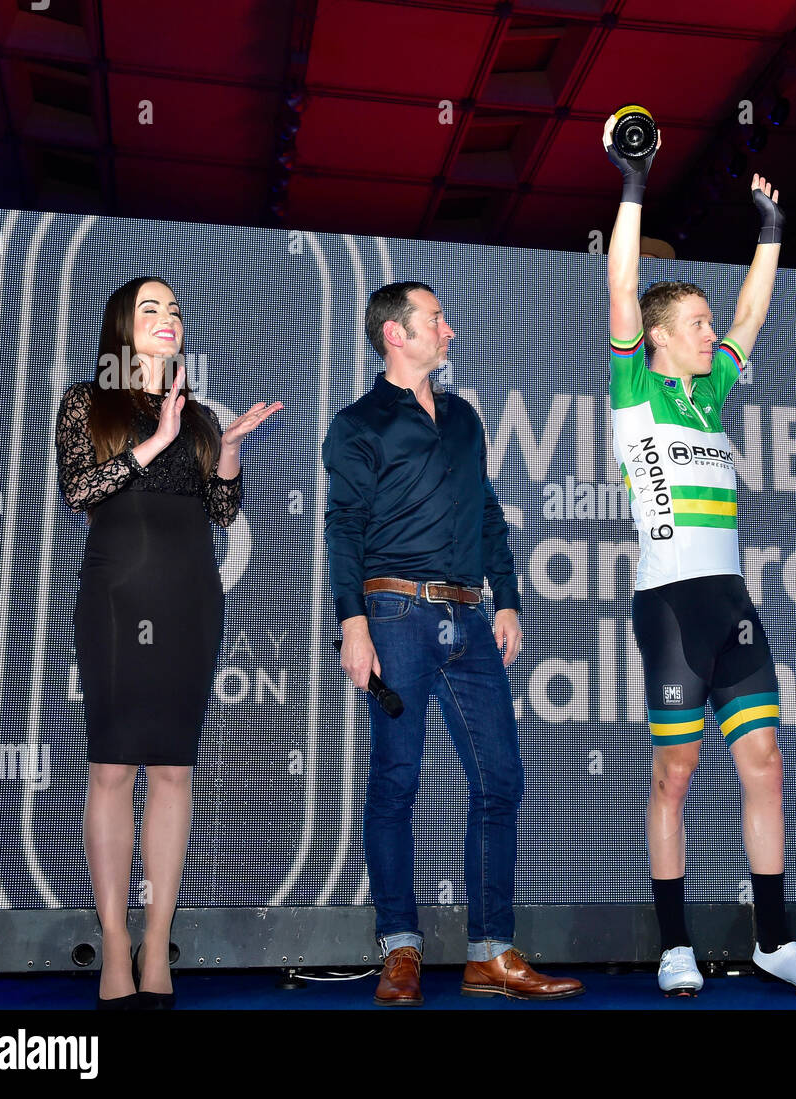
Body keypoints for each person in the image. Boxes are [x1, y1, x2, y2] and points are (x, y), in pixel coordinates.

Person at [603, 116, 796, 995]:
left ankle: (774, 940)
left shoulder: (711, 394)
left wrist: (771, 234)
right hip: (668, 607)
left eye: (710, 329)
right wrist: (634, 184)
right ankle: (675, 944)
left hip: (732, 605)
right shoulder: (635, 385)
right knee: (677, 770)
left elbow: (752, 312)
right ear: (661, 336)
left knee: (764, 763)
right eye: (697, 326)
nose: (713, 336)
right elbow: (624, 285)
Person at [323, 281, 583, 1006]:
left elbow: (489, 511)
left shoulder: (465, 417)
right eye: (436, 319)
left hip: (469, 618)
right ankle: (400, 949)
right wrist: (352, 622)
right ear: (395, 335)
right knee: (396, 781)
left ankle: (490, 952)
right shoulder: (358, 423)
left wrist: (509, 598)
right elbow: (342, 525)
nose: (451, 330)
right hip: (394, 613)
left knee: (501, 778)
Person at [56, 276, 281, 1008]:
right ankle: (114, 947)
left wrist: (230, 449)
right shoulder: (87, 402)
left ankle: (159, 945)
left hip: (190, 602)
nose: (167, 319)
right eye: (150, 308)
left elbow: (221, 510)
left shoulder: (203, 413)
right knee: (114, 770)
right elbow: (77, 491)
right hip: (118, 600)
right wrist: (153, 442)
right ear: (121, 325)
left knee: (175, 772)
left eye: (176, 309)